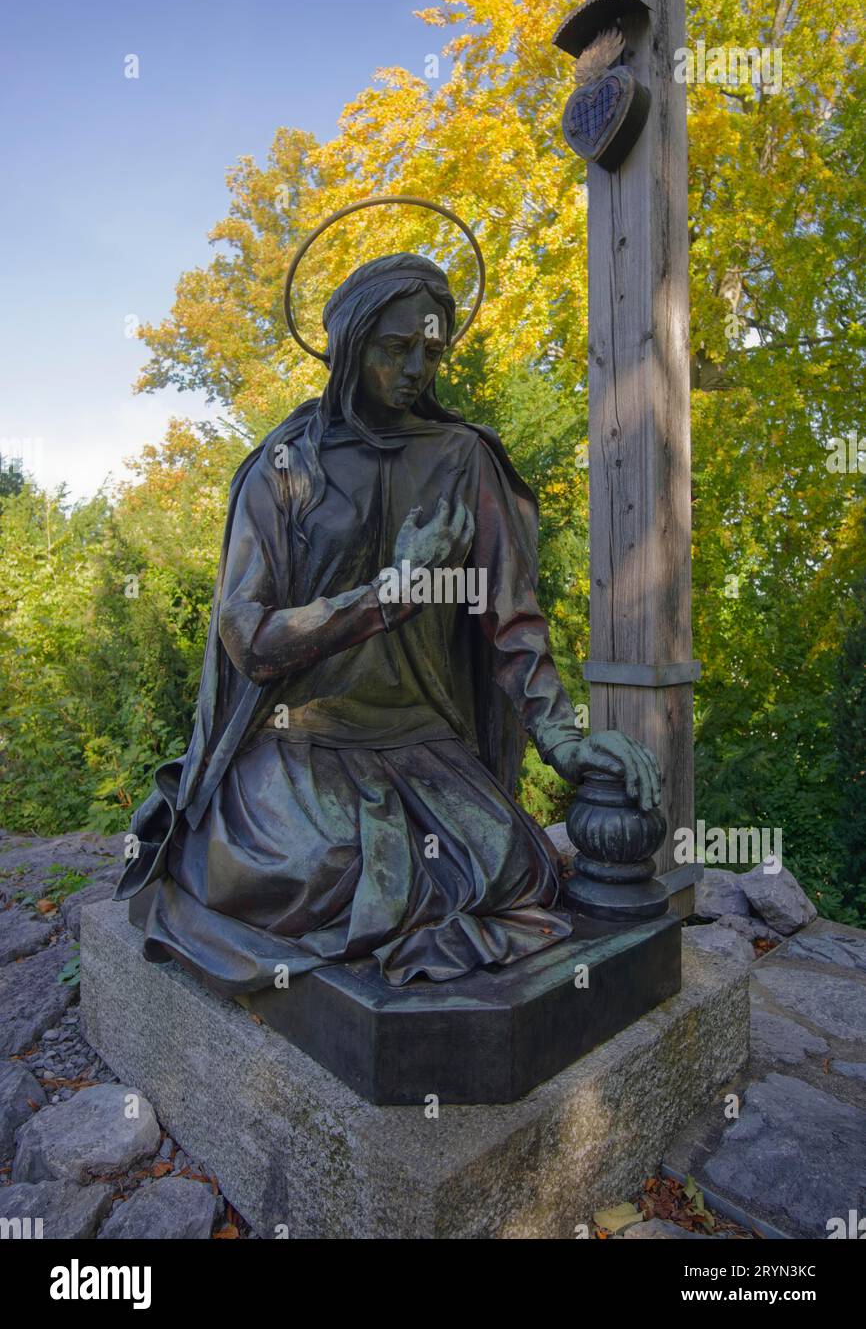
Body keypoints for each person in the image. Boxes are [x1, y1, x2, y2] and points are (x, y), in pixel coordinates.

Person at [116, 253, 660, 992]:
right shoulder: (283, 468)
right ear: (349, 345)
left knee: (512, 867)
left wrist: (562, 738)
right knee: (314, 870)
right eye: (395, 348)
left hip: (422, 745)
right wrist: (392, 588)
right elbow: (248, 639)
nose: (415, 370)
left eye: (431, 352)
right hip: (303, 744)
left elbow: (510, 619)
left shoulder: (463, 458)